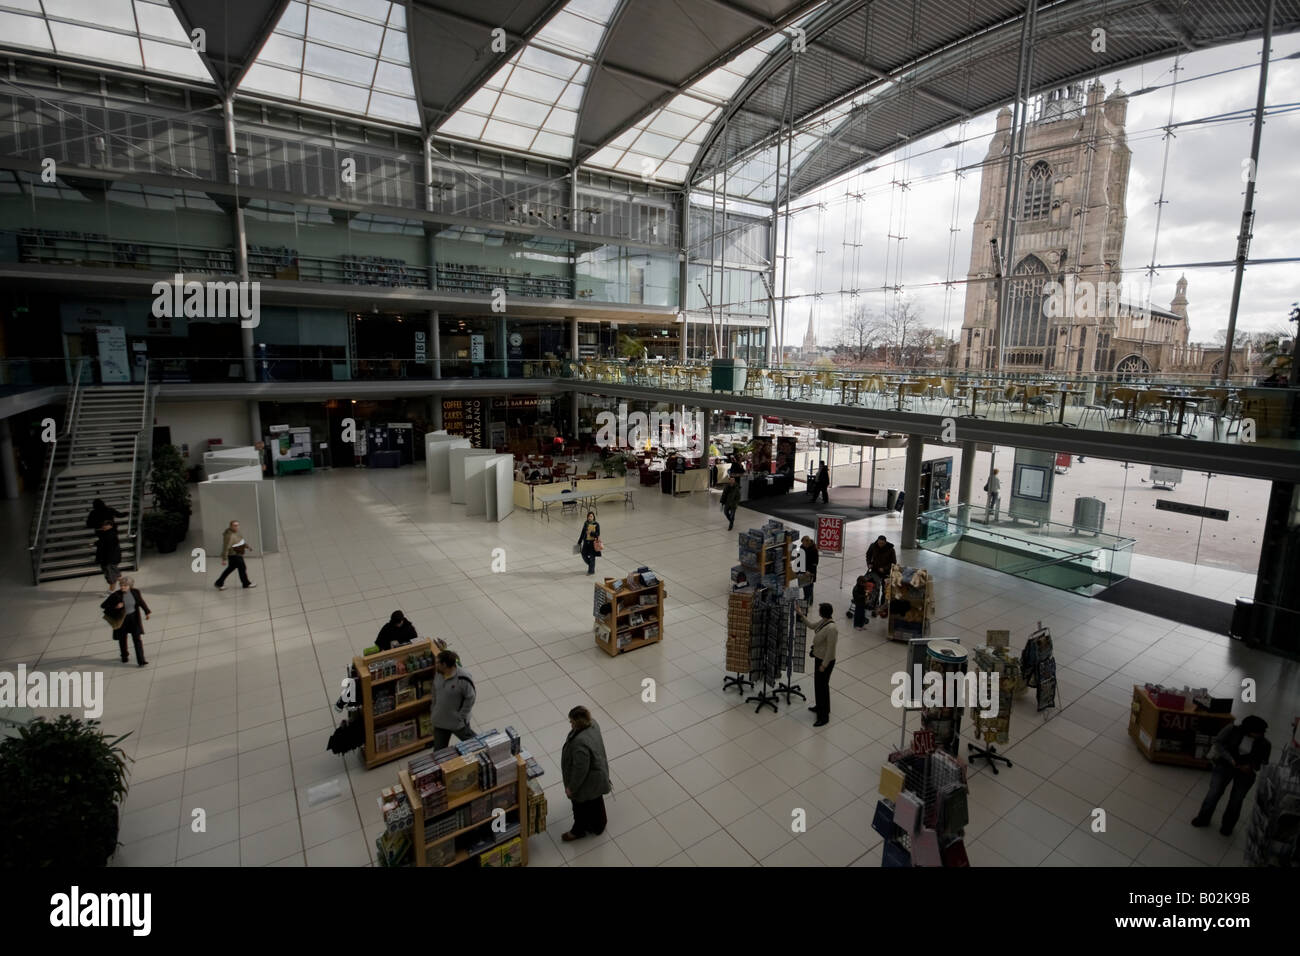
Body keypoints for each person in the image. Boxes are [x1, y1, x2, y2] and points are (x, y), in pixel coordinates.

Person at [1192, 715, 1271, 836]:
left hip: (1246, 772)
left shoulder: (1264, 744)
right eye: (1258, 732)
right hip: (1225, 764)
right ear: (1248, 729)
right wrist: (1231, 760)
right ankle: (1203, 818)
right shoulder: (1231, 730)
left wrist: (1251, 766)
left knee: (1236, 799)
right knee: (1214, 792)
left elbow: (1263, 762)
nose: (1261, 734)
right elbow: (1218, 743)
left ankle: (1227, 826)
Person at [560, 705, 612, 842]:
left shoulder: (579, 743)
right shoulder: (593, 724)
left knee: (579, 805)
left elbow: (580, 770)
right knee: (596, 800)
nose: (570, 724)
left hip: (588, 781)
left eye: (571, 721)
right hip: (598, 775)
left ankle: (578, 831)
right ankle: (599, 825)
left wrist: (571, 788)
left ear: (578, 722)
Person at [796, 602, 838, 727]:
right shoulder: (823, 622)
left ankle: (824, 716)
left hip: (825, 661)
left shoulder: (832, 629)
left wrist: (824, 665)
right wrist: (801, 615)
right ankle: (820, 706)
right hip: (819, 658)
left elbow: (831, 649)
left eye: (820, 610)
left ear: (823, 612)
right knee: (818, 685)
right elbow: (811, 626)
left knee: (823, 687)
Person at [429, 649, 476, 749]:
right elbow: (434, 689)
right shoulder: (439, 673)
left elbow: (470, 697)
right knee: (439, 752)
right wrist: (433, 708)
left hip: (458, 723)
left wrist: (461, 716)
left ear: (445, 664)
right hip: (440, 720)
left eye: (438, 662)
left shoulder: (463, 678)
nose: (435, 664)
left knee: (474, 745)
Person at [101, 574, 150, 666]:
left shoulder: (135, 592)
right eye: (121, 585)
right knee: (122, 639)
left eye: (125, 585)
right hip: (122, 620)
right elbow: (103, 605)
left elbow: (140, 602)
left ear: (130, 586)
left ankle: (141, 660)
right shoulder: (116, 595)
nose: (123, 587)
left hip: (134, 619)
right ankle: (124, 655)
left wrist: (147, 612)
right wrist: (116, 606)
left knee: (137, 639)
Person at [215, 520, 256, 590]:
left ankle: (219, 583)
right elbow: (226, 547)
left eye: (237, 525)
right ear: (231, 526)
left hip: (238, 553)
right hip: (234, 554)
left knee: (231, 568)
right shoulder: (229, 535)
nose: (237, 527)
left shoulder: (237, 532)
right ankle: (246, 583)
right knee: (242, 568)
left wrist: (247, 546)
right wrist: (224, 559)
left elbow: (241, 541)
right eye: (235, 525)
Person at [865, 535, 897, 614]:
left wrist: (884, 568)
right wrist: (869, 563)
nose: (880, 545)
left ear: (885, 542)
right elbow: (868, 555)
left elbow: (893, 562)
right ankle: (874, 603)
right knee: (875, 587)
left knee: (885, 589)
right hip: (875, 570)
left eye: (882, 543)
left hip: (885, 573)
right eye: (879, 543)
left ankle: (883, 605)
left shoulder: (891, 549)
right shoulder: (873, 546)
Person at [94, 517, 122, 592]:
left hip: (109, 559)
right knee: (116, 574)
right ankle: (127, 585)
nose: (103, 526)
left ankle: (111, 591)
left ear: (110, 526)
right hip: (110, 559)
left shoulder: (110, 534)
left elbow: (107, 546)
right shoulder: (109, 533)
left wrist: (97, 543)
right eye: (103, 525)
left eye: (105, 525)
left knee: (111, 576)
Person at [577, 511, 601, 575]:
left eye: (591, 516)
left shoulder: (596, 524)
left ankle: (591, 571)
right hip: (586, 542)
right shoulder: (586, 523)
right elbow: (582, 533)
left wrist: (590, 533)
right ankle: (591, 566)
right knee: (583, 555)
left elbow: (597, 534)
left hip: (592, 543)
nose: (590, 518)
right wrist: (579, 541)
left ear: (593, 517)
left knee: (592, 557)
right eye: (588, 516)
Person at [800, 534, 819, 604]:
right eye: (802, 544)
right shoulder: (802, 547)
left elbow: (815, 563)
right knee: (805, 586)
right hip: (803, 570)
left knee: (809, 586)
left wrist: (809, 571)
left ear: (808, 542)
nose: (803, 545)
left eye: (804, 543)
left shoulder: (814, 550)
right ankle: (807, 598)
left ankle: (808, 600)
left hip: (810, 572)